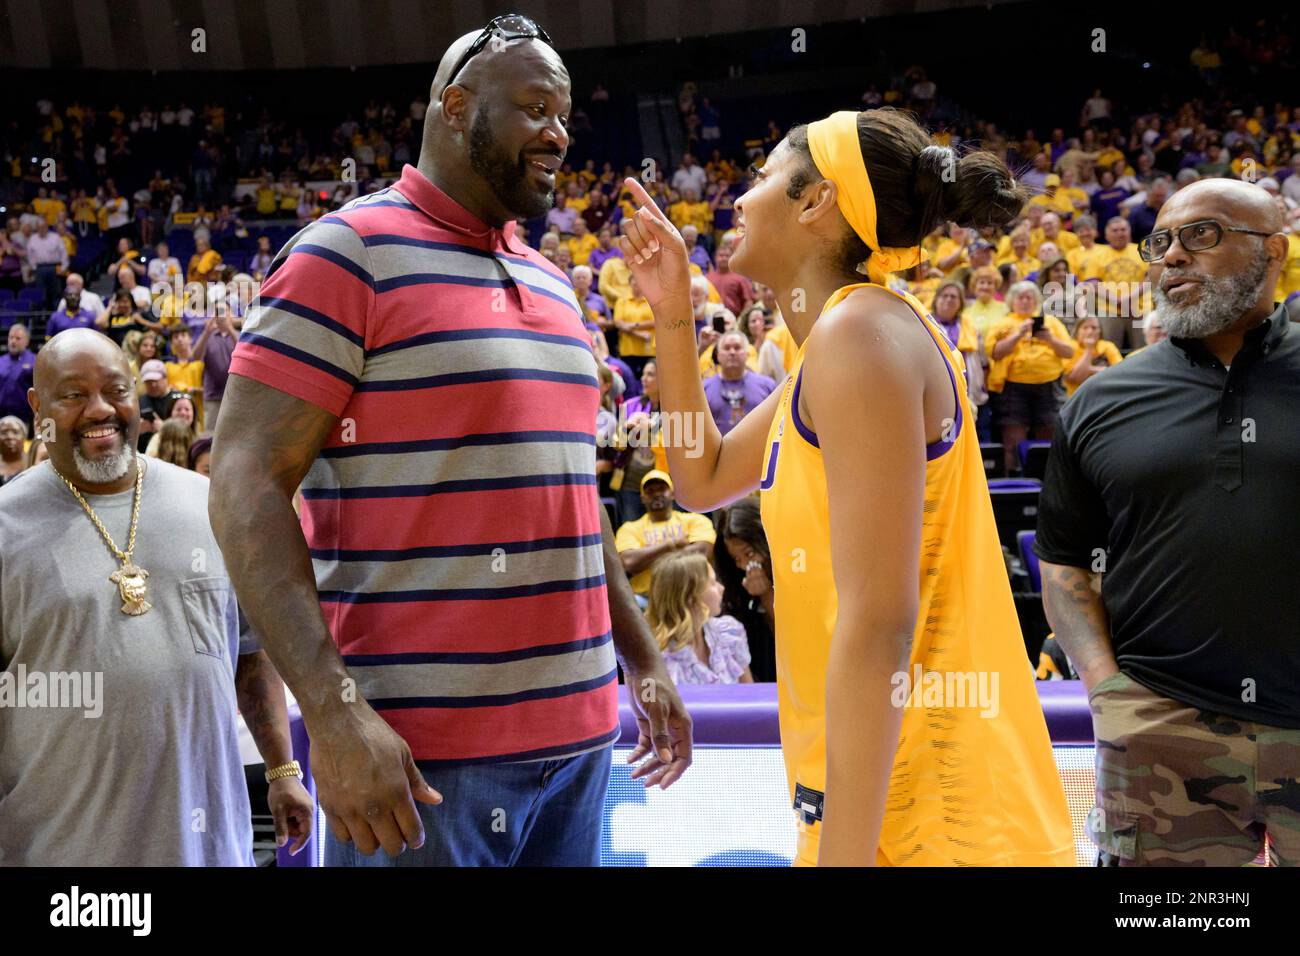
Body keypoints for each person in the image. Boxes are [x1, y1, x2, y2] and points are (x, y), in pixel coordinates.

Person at [211, 17, 691, 868]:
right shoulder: (344, 254)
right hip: (418, 762)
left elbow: (573, 499)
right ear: (455, 105)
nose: (558, 134)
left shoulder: (551, 281)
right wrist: (329, 712)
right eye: (535, 107)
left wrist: (643, 656)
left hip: (582, 741)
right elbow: (244, 483)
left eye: (566, 115)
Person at [616, 107, 1073, 865]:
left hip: (931, 801)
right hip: (884, 788)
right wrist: (671, 313)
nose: (739, 197)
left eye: (761, 178)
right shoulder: (839, 341)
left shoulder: (859, 335)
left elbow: (881, 622)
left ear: (815, 201)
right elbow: (698, 477)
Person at [1035, 179, 1300, 866]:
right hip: (1163, 730)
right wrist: (1108, 692)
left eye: (1202, 235)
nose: (1172, 256)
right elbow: (1065, 567)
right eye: (1162, 242)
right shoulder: (1100, 399)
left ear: (1273, 251)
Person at [0, 328, 312, 865]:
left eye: (116, 391)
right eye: (74, 395)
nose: (100, 410)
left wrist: (283, 770)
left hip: (208, 843)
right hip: (61, 854)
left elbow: (249, 654)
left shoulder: (209, 504)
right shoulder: (7, 525)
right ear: (37, 405)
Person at [984, 281, 1074, 474]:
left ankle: (1047, 479)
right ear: (1011, 301)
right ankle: (1013, 481)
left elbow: (1069, 352)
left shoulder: (1051, 323)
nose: (1025, 301)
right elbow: (995, 353)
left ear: (1036, 301)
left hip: (1049, 386)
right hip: (1012, 388)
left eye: (1029, 297)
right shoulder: (1003, 324)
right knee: (1012, 441)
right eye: (1020, 297)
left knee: (1048, 438)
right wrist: (1018, 335)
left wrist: (1049, 339)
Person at [648, 551, 753, 685]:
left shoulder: (730, 632)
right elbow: (649, 704)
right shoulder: (656, 659)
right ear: (690, 596)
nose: (722, 588)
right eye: (713, 583)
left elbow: (750, 692)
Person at [614, 470, 715, 599]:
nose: (656, 494)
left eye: (662, 489)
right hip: (646, 598)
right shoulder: (629, 528)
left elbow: (703, 552)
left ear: (673, 493)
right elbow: (629, 562)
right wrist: (673, 544)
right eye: (650, 491)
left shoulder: (695, 520)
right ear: (642, 498)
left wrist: (649, 553)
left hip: (688, 594)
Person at [715, 496, 776, 682]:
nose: (744, 565)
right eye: (737, 559)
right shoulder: (735, 581)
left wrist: (767, 595)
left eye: (749, 554)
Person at [702, 330, 777, 435]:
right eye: (727, 348)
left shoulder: (768, 386)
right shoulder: (703, 389)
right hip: (718, 450)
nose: (732, 352)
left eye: (737, 347)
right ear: (718, 356)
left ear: (746, 354)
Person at [1063, 315, 1122, 396]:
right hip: (1077, 395)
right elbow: (1074, 378)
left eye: (1094, 328)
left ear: (1100, 331)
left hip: (1104, 393)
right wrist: (1089, 350)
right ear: (1077, 331)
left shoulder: (1108, 346)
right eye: (1085, 328)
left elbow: (1120, 372)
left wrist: (1089, 369)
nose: (1090, 331)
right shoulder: (1069, 348)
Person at [0, 325, 36, 431]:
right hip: (1, 417)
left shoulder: (35, 361)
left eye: (18, 338)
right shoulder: (1, 361)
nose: (13, 341)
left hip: (23, 419)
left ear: (26, 341)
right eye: (11, 337)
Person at [0, 415, 27, 485]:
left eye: (15, 432)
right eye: (4, 433)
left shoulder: (33, 462)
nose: (10, 437)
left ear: (24, 437)